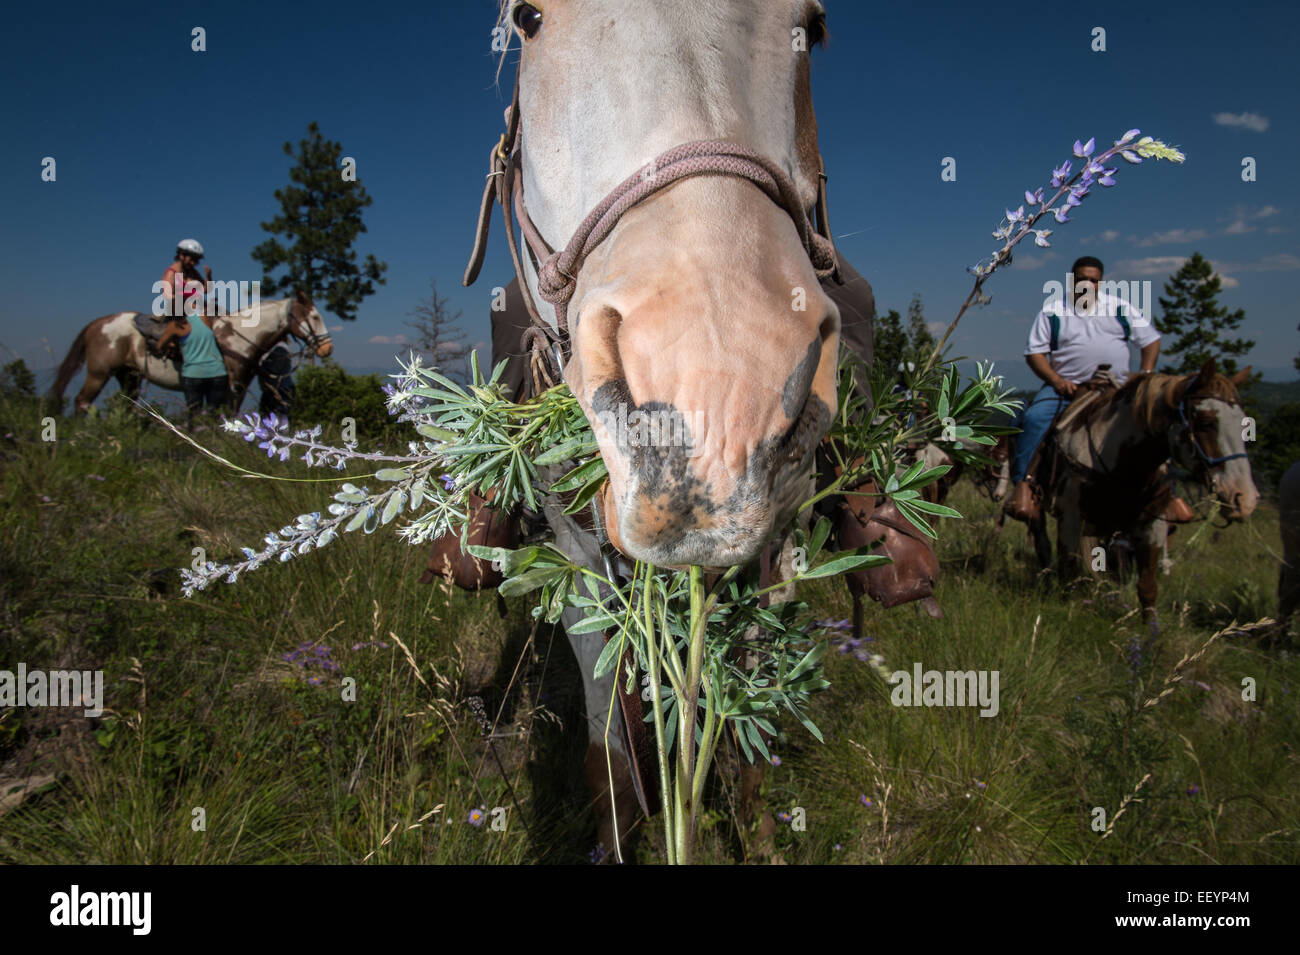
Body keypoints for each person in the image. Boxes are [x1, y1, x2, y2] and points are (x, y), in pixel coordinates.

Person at [1004, 255, 1165, 521]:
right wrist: (1057, 381)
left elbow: (1150, 340)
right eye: (1082, 280)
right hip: (1067, 389)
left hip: (1116, 390)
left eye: (1093, 280)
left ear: (1101, 282)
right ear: (1072, 281)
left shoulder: (1120, 308)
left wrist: (1146, 374)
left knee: (1157, 422)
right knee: (1034, 419)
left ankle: (1166, 492)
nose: (1087, 285)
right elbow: (1035, 353)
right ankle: (1025, 485)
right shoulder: (1053, 311)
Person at [258, 340, 296, 420]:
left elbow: (274, 369)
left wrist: (259, 367)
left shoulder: (279, 349)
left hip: (280, 389)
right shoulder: (278, 349)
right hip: (274, 389)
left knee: (279, 416)